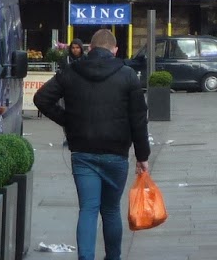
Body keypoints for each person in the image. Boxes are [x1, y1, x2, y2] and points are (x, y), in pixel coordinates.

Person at [33, 28, 151, 260]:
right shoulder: (127, 75)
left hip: (83, 152)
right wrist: (142, 156)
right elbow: (139, 119)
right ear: (115, 50)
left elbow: (41, 99)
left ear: (90, 49)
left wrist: (67, 120)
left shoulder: (71, 72)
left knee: (88, 209)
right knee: (110, 210)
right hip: (116, 152)